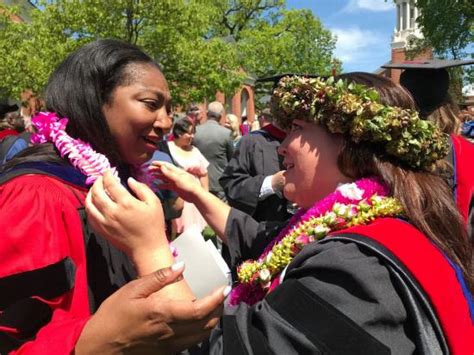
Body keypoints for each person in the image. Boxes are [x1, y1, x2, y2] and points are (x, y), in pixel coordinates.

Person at [88, 72, 473, 353]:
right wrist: (198, 195)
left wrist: (151, 246)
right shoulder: (369, 222)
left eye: (299, 129)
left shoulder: (355, 273)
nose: (283, 145)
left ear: (352, 143)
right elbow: (265, 242)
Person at [0, 39, 228, 353]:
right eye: (150, 103)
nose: (164, 122)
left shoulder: (123, 181)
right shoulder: (37, 195)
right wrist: (94, 343)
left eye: (168, 109)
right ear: (96, 100)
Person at [383, 59, 474, 239]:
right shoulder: (466, 152)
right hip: (454, 255)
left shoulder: (383, 150)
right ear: (449, 103)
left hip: (393, 256)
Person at [219, 107, 290, 223]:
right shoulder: (252, 141)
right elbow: (231, 185)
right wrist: (270, 183)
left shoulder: (317, 142)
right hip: (263, 229)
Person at [168, 117, 209, 234]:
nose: (192, 137)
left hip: (193, 196)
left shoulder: (194, 150)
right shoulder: (168, 148)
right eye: (189, 134)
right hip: (176, 194)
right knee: (175, 228)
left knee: (194, 229)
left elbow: (204, 173)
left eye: (193, 134)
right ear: (179, 133)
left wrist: (204, 194)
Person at [193, 101, 234, 201]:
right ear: (220, 116)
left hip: (199, 180)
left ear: (207, 114)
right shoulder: (226, 133)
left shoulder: (195, 131)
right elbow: (232, 158)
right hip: (219, 182)